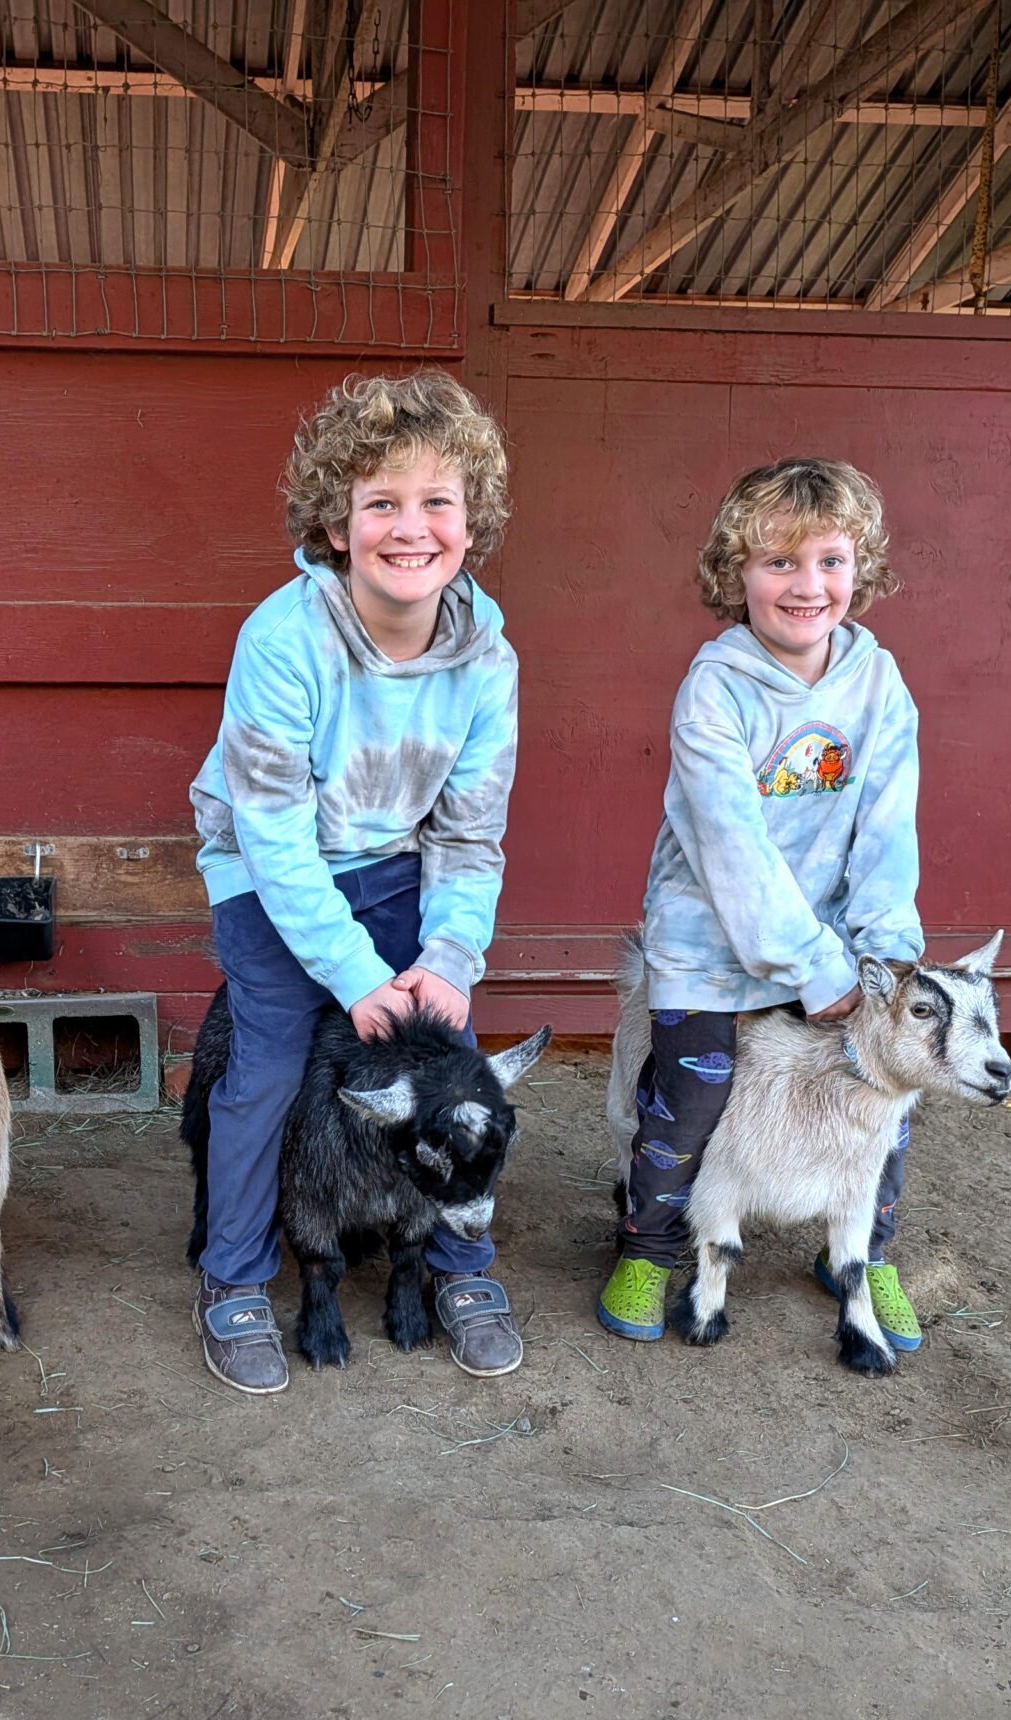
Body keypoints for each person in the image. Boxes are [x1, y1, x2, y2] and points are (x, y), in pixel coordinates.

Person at [186, 371, 523, 1394]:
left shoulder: (488, 659)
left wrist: (447, 957)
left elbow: (470, 833)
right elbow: (275, 834)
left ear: (471, 523)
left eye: (435, 502)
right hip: (267, 868)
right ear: (335, 523)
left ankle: (459, 1262)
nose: (408, 528)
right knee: (272, 1065)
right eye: (380, 502)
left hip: (398, 865)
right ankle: (235, 1273)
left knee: (449, 1057)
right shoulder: (283, 641)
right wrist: (349, 973)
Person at [595, 457, 927, 1348]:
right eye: (778, 562)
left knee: (883, 1092)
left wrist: (886, 954)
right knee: (692, 1099)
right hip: (710, 942)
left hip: (835, 941)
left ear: (861, 566)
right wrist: (811, 965)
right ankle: (651, 1244)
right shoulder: (716, 688)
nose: (806, 585)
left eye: (828, 560)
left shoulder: (880, 685)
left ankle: (865, 1253)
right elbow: (730, 847)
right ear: (734, 573)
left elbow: (888, 828)